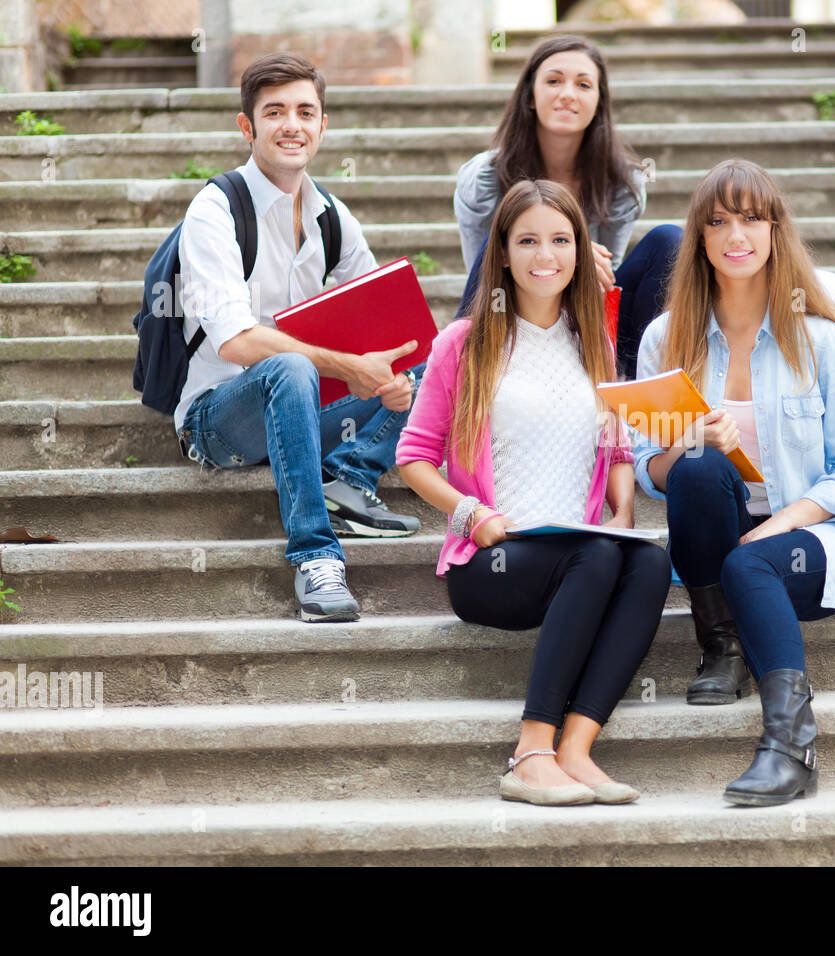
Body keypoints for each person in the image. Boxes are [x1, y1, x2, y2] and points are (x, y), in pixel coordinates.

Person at [398, 179, 671, 807]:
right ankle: (530, 752)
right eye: (527, 240)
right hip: (493, 560)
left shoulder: (592, 342)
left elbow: (616, 442)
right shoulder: (463, 344)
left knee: (651, 560)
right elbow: (412, 457)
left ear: (580, 250)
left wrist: (624, 503)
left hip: (577, 549)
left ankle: (576, 746)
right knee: (596, 556)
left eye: (559, 239)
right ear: (502, 252)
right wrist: (472, 515)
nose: (544, 255)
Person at [632, 159, 835, 806]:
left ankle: (791, 747)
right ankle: (721, 647)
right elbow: (645, 469)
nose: (735, 234)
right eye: (718, 221)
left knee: (751, 566)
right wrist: (687, 442)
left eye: (751, 218)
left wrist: (777, 525)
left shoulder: (820, 340)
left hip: (807, 536)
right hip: (712, 529)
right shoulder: (666, 338)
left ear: (775, 231)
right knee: (696, 464)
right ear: (701, 238)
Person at [174, 52, 423, 623]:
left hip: (304, 409)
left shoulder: (332, 215)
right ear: (248, 126)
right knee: (290, 367)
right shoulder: (215, 209)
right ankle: (315, 557)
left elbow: (388, 329)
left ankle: (348, 479)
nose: (292, 124)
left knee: (434, 359)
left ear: (322, 125)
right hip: (218, 419)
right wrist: (348, 367)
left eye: (305, 112)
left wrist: (393, 379)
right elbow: (236, 343)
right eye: (275, 111)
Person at [454, 33, 681, 377]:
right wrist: (568, 251)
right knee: (494, 244)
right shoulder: (484, 178)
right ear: (530, 95)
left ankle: (637, 394)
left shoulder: (622, 182)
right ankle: (470, 381)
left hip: (583, 318)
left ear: (598, 102)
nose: (567, 94)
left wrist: (580, 263)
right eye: (554, 81)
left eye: (584, 85)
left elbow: (606, 278)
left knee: (668, 241)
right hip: (509, 317)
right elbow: (483, 274)